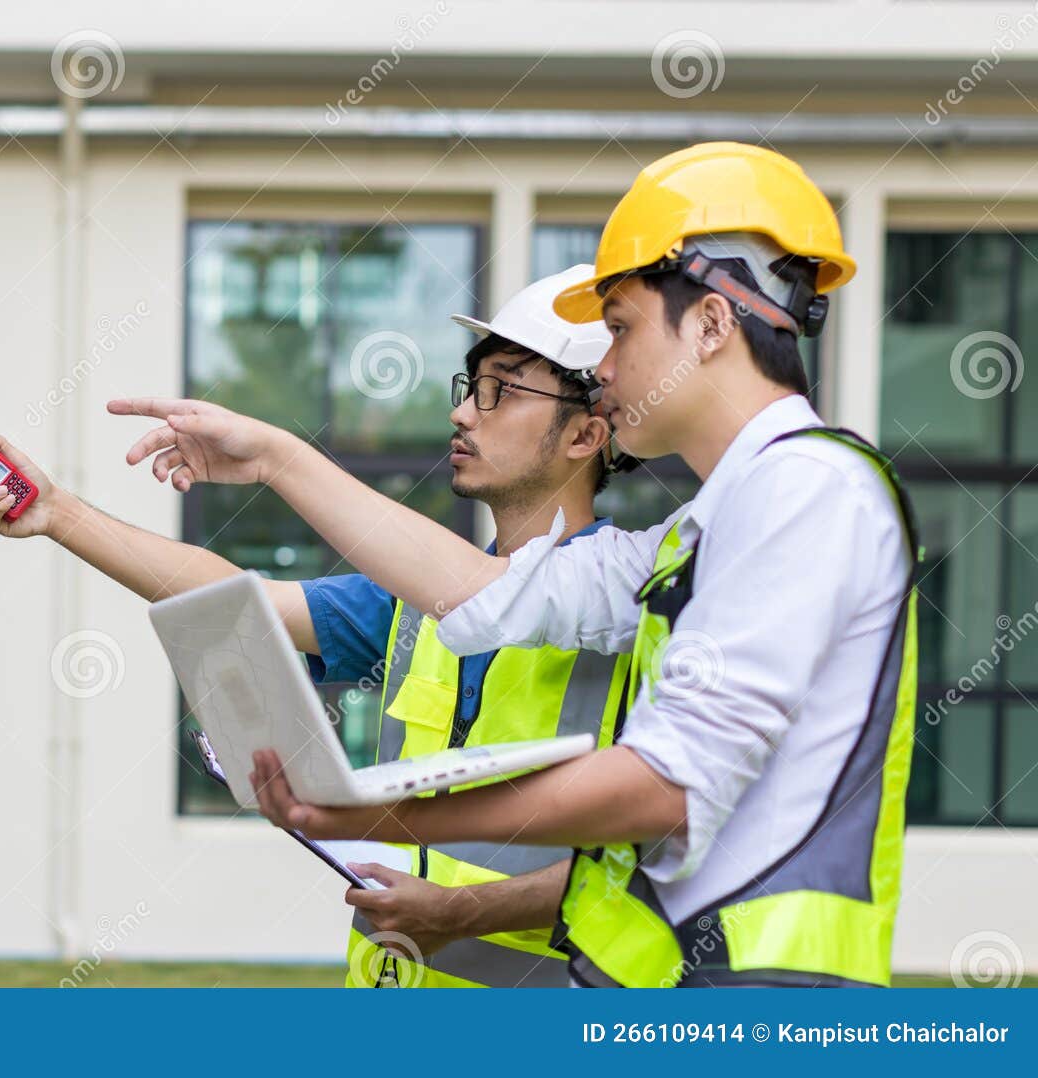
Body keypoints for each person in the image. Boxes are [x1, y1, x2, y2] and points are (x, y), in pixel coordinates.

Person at [109, 142, 921, 988]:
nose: (604, 372)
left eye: (620, 329)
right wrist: (275, 456)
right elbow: (477, 590)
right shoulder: (703, 528)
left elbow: (665, 785)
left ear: (712, 323)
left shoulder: (810, 492)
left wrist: (385, 816)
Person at [0, 266, 632, 987]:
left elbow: (657, 853)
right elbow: (242, 599)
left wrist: (464, 911)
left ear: (586, 434)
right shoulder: (416, 599)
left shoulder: (639, 614)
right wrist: (59, 515)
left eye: (503, 392)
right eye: (472, 390)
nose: (464, 415)